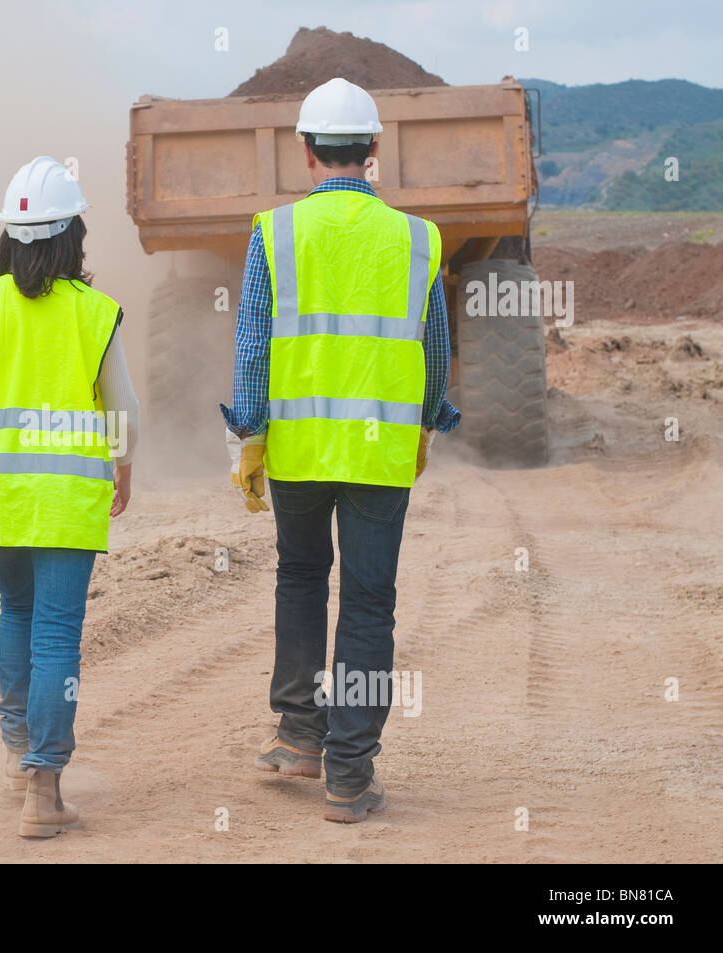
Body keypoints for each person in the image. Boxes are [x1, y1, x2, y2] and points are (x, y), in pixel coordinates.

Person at [221, 78, 461, 823]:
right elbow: (435, 346)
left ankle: (298, 733)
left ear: (304, 150)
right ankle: (349, 774)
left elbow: (254, 343)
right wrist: (426, 421)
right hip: (379, 453)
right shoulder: (418, 237)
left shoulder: (275, 232)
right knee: (367, 600)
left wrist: (250, 433)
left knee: (299, 576)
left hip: (295, 447)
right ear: (374, 151)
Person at [0, 155, 139, 838]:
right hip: (69, 504)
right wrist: (123, 469)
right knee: (55, 638)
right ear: (73, 234)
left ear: (7, 238)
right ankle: (43, 791)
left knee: (17, 614)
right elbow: (121, 407)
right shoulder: (94, 313)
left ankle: (18, 755)